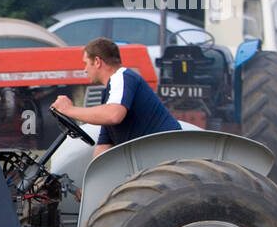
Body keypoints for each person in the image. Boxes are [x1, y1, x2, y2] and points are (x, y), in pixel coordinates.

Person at [52, 37, 181, 157]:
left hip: (166, 153)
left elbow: (113, 115)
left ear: (97, 62)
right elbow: (104, 145)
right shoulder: (110, 94)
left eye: (85, 63)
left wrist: (68, 109)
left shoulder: (122, 76)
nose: (85, 69)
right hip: (151, 155)